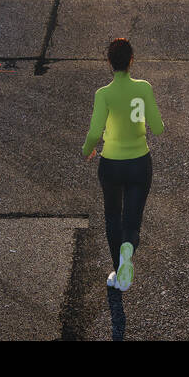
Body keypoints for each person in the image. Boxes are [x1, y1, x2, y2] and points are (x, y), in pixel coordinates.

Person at [81, 38, 164, 292]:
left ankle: (119, 273)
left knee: (112, 217)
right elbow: (158, 128)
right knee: (132, 222)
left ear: (109, 62)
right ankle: (128, 248)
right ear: (131, 61)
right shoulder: (144, 89)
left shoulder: (103, 94)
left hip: (111, 164)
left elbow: (95, 130)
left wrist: (88, 149)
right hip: (139, 162)